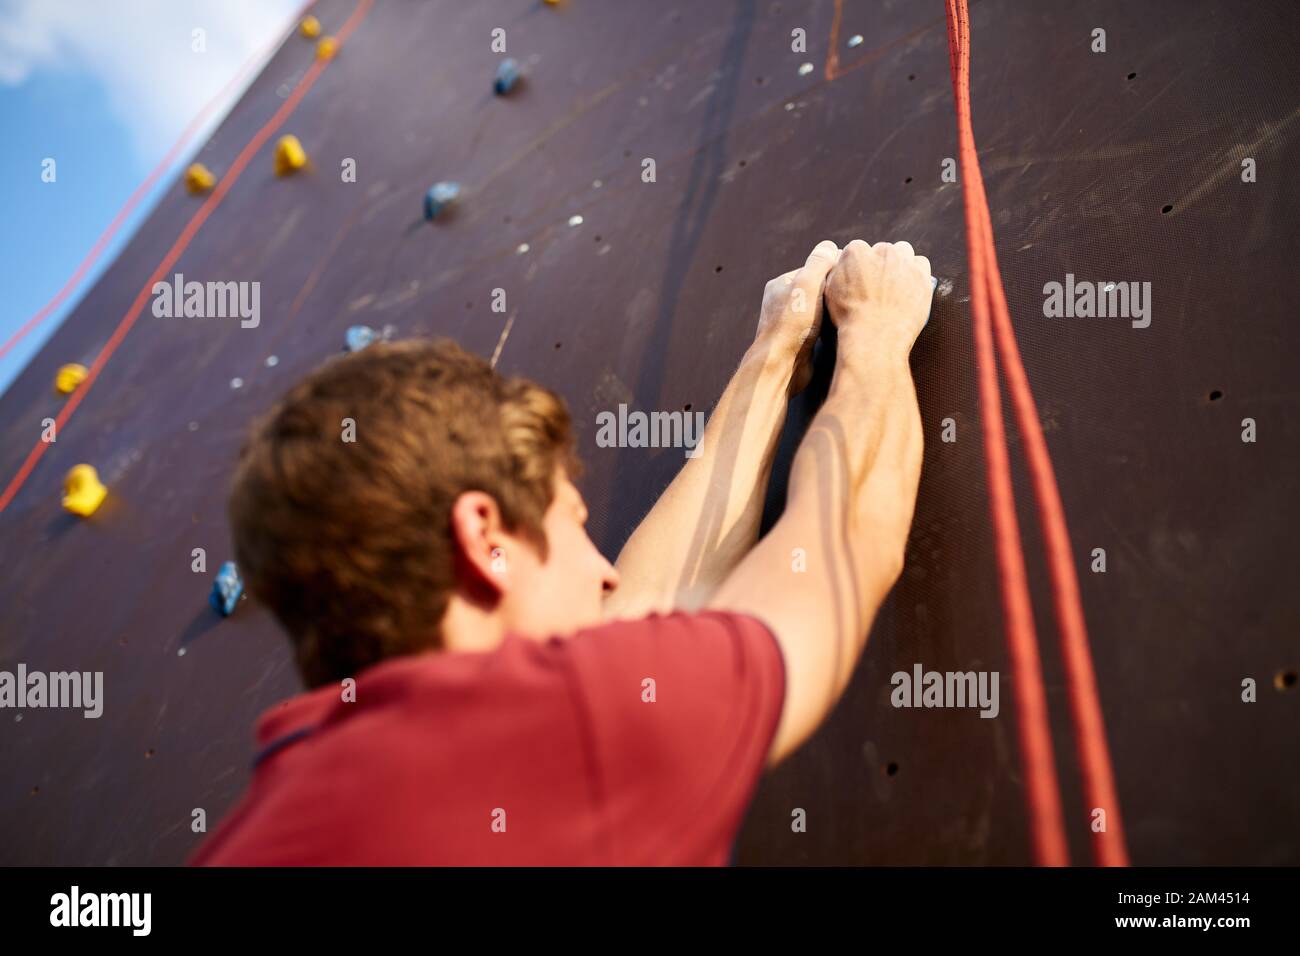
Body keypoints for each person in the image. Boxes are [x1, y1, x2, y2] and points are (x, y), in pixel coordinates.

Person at [189, 238, 932, 865]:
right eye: (572, 524)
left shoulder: (272, 814)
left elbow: (637, 622)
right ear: (486, 541)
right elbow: (843, 548)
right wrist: (873, 326)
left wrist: (775, 355)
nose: (606, 570)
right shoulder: (559, 739)